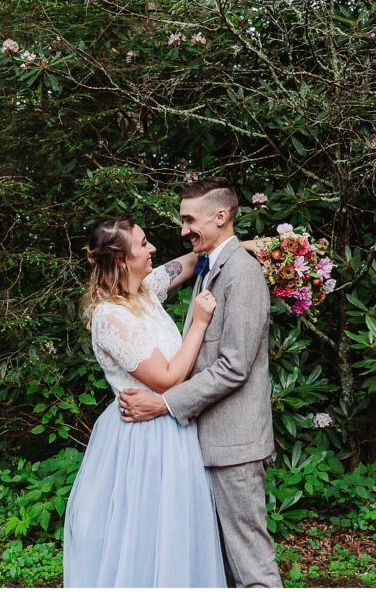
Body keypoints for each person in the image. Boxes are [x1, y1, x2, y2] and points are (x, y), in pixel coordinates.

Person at [120, 177, 282, 588]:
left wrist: (163, 403)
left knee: (252, 566)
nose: (183, 229)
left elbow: (233, 367)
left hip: (234, 444)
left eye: (190, 220)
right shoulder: (210, 265)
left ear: (221, 216)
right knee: (221, 566)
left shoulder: (241, 274)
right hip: (205, 443)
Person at [62, 216, 227, 587]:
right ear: (122, 260)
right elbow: (168, 377)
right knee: (144, 534)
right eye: (143, 244)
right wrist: (198, 323)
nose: (152, 249)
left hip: (171, 429)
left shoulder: (145, 291)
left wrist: (244, 247)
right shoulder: (112, 317)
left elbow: (184, 264)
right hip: (143, 441)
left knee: (175, 532)